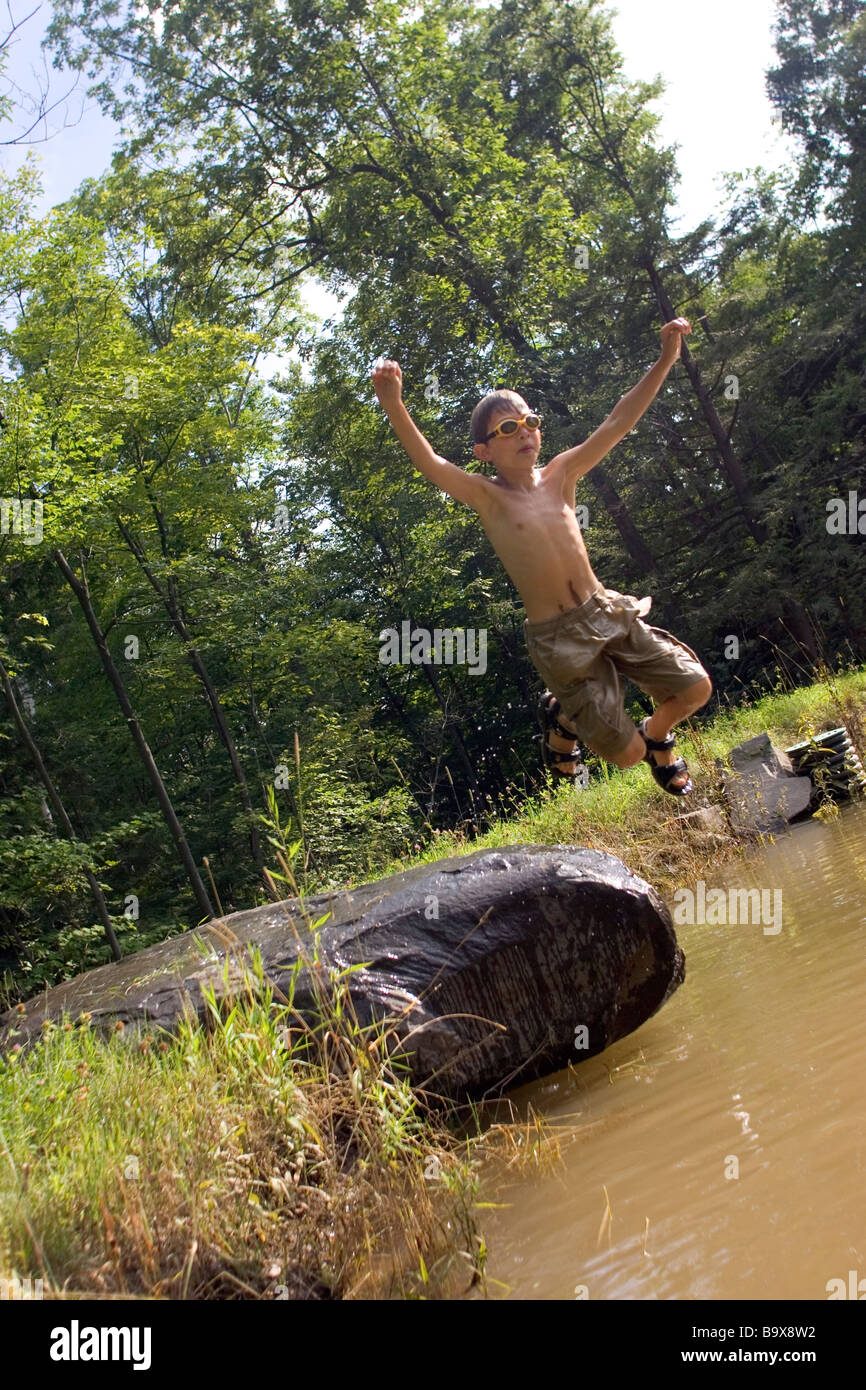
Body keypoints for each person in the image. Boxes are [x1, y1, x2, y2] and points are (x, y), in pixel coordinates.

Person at [370, 318, 712, 796]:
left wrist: (665, 359)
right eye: (507, 429)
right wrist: (394, 404)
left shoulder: (562, 474)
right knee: (626, 756)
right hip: (559, 641)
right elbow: (431, 462)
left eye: (529, 421)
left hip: (606, 611)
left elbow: (619, 420)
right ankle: (563, 720)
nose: (524, 432)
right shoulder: (488, 498)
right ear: (484, 451)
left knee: (695, 688)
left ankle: (658, 735)